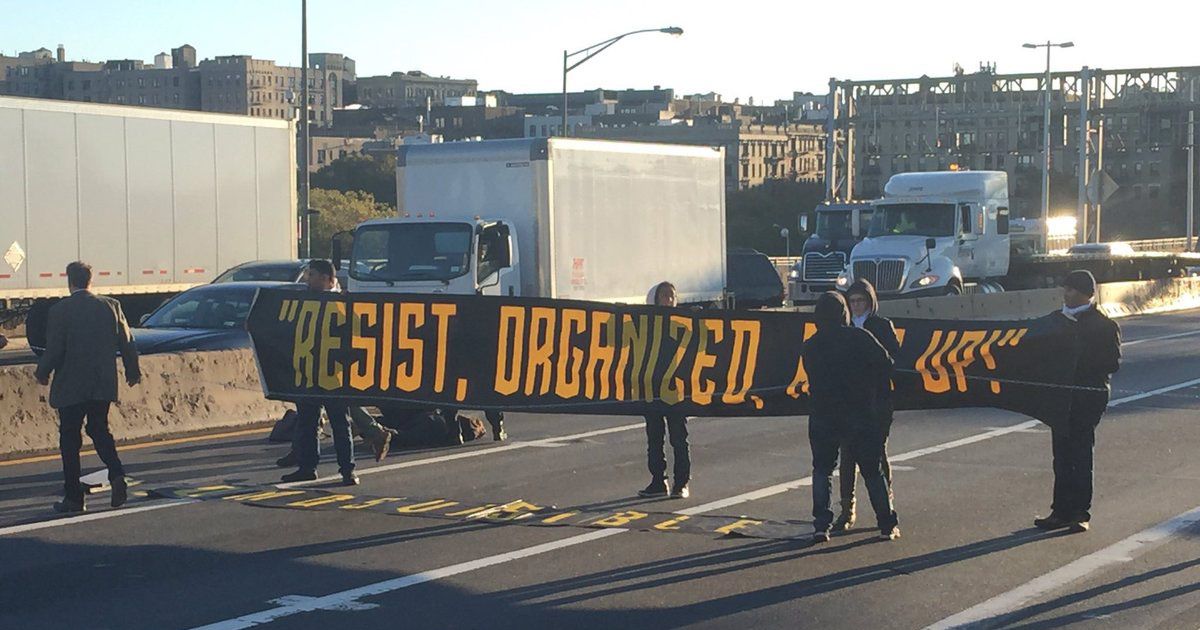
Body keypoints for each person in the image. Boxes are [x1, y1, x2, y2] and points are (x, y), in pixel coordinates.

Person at [34, 261, 141, 513]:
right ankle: (116, 473)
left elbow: (55, 348)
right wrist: (132, 370)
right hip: (102, 382)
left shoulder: (60, 310)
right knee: (99, 429)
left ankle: (74, 498)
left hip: (71, 385)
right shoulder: (111, 306)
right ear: (91, 280)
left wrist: (42, 371)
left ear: (69, 280)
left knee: (70, 438)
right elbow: (127, 342)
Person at [803, 291, 899, 542]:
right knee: (872, 470)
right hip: (859, 412)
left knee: (822, 469)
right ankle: (887, 524)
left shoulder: (811, 346)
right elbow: (887, 364)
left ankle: (821, 525)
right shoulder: (860, 337)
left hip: (823, 414)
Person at [1035, 270, 1121, 533]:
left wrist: (1076, 360)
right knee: (1061, 456)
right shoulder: (1055, 321)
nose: (1066, 294)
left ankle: (1080, 512)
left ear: (1086, 293)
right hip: (1061, 399)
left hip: (1087, 398)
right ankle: (1060, 511)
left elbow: (1112, 363)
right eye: (1066, 289)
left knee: (1080, 454)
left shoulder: (1103, 326)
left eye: (1072, 289)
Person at [282, 260, 358, 486]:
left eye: (312, 275)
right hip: (308, 372)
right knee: (307, 424)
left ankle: (348, 470)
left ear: (327, 279)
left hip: (334, 375)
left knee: (340, 424)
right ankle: (307, 468)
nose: (308, 279)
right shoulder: (303, 300)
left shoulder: (344, 303)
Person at [835, 279, 901, 530]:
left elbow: (894, 359)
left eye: (860, 300)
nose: (856, 305)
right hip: (848, 403)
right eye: (852, 301)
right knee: (847, 456)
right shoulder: (843, 326)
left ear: (870, 302)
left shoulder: (882, 326)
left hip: (877, 401)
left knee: (877, 454)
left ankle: (886, 505)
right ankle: (847, 509)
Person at [637, 281, 692, 499]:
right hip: (651, 389)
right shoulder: (646, 325)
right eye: (664, 296)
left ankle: (681, 483)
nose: (668, 300)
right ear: (655, 299)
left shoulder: (684, 324)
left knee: (679, 438)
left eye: (672, 296)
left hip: (676, 390)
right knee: (654, 437)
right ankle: (658, 481)